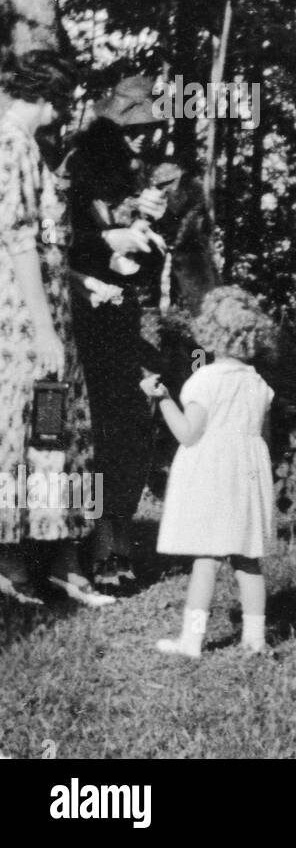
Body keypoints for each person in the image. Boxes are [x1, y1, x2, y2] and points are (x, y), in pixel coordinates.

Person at [0, 50, 112, 607]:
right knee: (34, 433)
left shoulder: (27, 147)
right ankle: (14, 565)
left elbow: (43, 249)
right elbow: (18, 245)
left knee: (49, 435)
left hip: (47, 316)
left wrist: (79, 284)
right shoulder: (12, 144)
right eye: (62, 101)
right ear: (49, 97)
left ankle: (42, 558)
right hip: (25, 327)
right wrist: (45, 330)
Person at [66, 75, 172, 592]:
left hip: (133, 314)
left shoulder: (149, 175)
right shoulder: (76, 169)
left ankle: (115, 534)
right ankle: (81, 540)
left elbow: (161, 259)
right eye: (135, 127)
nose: (145, 137)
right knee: (88, 427)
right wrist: (112, 236)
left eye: (152, 128)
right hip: (83, 313)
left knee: (132, 422)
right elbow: (55, 242)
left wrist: (153, 228)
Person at [142, 286, 277, 656]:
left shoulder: (204, 380)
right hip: (247, 479)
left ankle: (192, 639)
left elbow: (188, 434)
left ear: (209, 333)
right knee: (248, 559)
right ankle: (255, 639)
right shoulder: (260, 385)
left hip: (213, 479)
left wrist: (164, 399)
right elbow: (261, 439)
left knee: (206, 559)